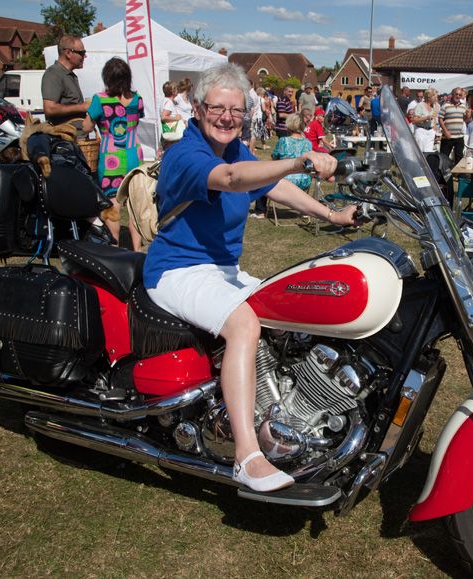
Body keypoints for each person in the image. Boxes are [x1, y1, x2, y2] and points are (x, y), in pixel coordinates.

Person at [142, 63, 358, 492]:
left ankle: (284, 416)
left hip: (221, 270)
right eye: (218, 108)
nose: (227, 117)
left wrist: (333, 214)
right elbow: (233, 180)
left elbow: (272, 187)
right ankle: (246, 455)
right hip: (177, 269)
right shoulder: (187, 154)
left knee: (292, 305)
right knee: (244, 323)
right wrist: (296, 160)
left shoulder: (235, 149)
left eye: (236, 110)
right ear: (199, 109)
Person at [82, 57, 145, 248]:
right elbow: (137, 120)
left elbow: (85, 127)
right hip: (134, 155)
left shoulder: (100, 99)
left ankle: (115, 249)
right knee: (134, 206)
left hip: (111, 158)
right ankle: (137, 250)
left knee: (112, 204)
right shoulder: (137, 99)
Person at [41, 35, 89, 131]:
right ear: (68, 53)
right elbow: (50, 109)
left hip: (76, 140)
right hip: (64, 141)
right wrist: (82, 107)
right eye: (82, 53)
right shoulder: (53, 73)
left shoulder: (68, 75)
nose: (85, 56)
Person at [272, 113, 313, 192]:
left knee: (262, 181)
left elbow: (274, 157)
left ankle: (261, 205)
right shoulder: (308, 143)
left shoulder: (283, 141)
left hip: (286, 179)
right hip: (304, 180)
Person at [439, 87, 467, 166]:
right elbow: (440, 119)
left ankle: (459, 176)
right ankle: (442, 176)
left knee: (459, 158)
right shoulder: (445, 105)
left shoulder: (463, 106)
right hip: (448, 136)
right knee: (444, 157)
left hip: (459, 136)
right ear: (452, 94)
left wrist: (468, 116)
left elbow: (465, 119)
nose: (458, 96)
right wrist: (445, 131)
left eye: (460, 95)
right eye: (456, 94)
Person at [412, 88, 439, 153]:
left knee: (428, 152)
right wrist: (426, 118)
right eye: (435, 97)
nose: (436, 99)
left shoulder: (435, 106)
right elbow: (414, 120)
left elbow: (434, 118)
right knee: (420, 152)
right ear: (429, 97)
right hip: (421, 131)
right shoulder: (420, 105)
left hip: (430, 131)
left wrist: (434, 128)